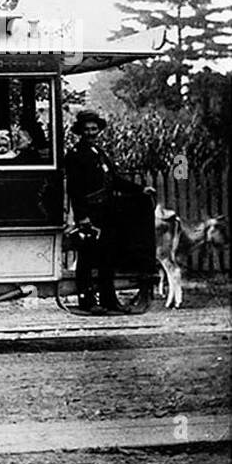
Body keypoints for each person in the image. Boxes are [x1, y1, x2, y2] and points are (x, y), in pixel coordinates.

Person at [64, 109, 145, 314]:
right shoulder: (76, 155)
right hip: (90, 214)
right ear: (80, 131)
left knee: (107, 258)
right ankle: (87, 302)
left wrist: (140, 189)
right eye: (87, 129)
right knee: (87, 258)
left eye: (94, 128)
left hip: (106, 213)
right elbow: (74, 189)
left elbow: (113, 181)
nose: (91, 132)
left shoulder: (99, 153)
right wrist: (82, 217)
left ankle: (110, 300)